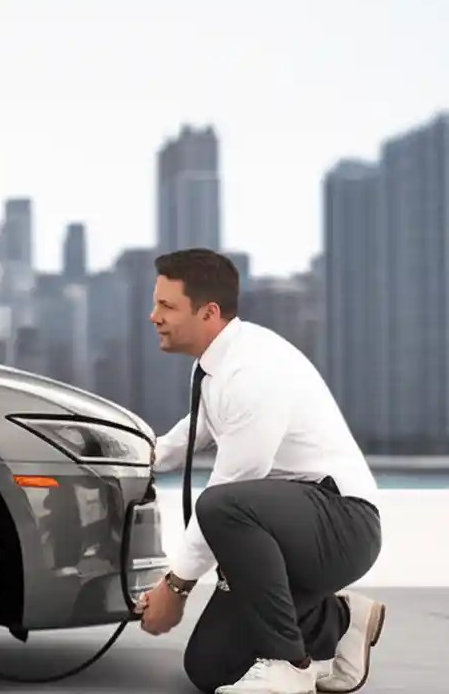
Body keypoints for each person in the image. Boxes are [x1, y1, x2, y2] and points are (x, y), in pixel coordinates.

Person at [133, 248, 385, 694]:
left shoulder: (253, 371)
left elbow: (232, 486)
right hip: (289, 528)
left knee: (223, 506)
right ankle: (343, 621)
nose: (153, 316)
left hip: (341, 524)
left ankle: (290, 665)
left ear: (208, 312)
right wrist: (142, 458)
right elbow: (197, 431)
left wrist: (176, 587)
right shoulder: (217, 365)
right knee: (209, 666)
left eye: (166, 305)